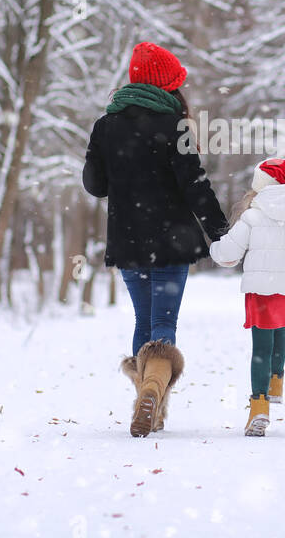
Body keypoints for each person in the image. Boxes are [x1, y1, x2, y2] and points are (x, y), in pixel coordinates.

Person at [82, 41, 229, 437]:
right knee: (164, 322)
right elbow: (195, 186)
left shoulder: (105, 125)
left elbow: (94, 186)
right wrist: (221, 234)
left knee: (143, 320)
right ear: (167, 86)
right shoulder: (175, 125)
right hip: (171, 242)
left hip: (129, 241)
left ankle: (148, 401)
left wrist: (106, 158)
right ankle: (153, 393)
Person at [208, 158, 285, 436]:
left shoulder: (253, 215)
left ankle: (259, 407)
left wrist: (215, 251)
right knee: (280, 329)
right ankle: (276, 381)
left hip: (261, 290)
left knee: (261, 346)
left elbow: (228, 253)